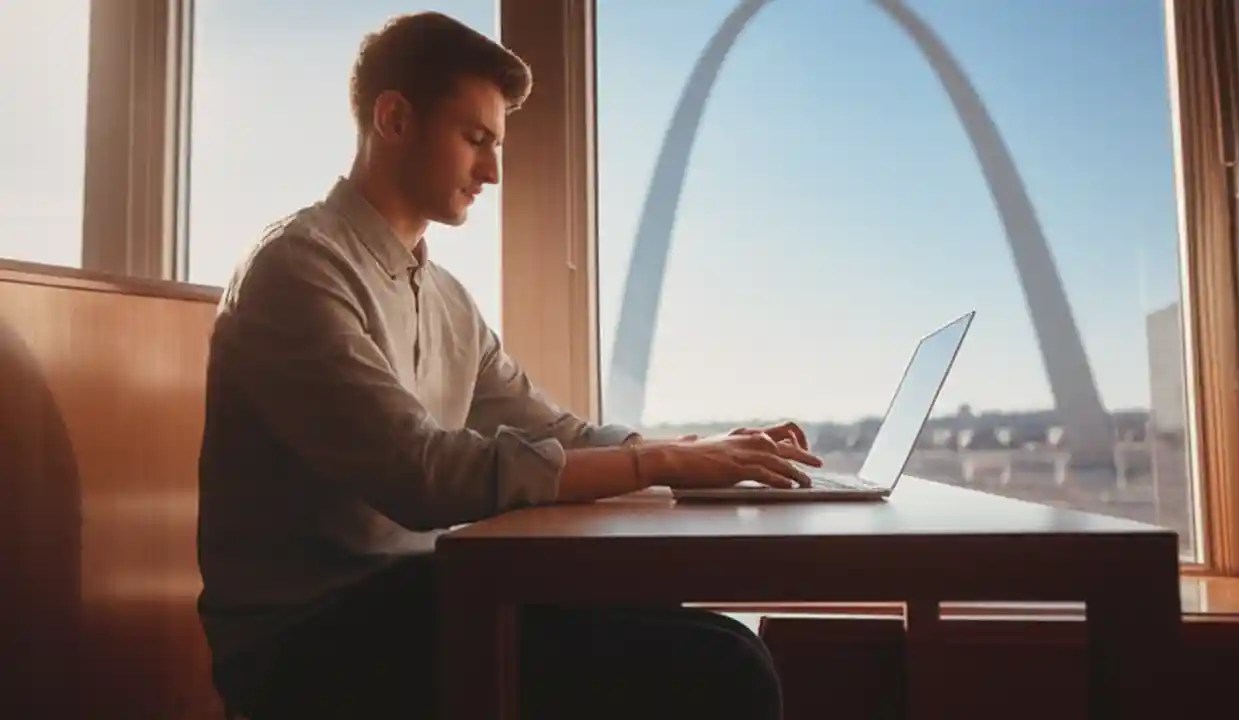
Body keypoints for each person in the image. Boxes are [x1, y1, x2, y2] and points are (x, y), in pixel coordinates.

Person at [196, 12, 821, 719]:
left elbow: (552, 428)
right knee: (722, 668)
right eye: (475, 139)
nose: (492, 171)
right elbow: (423, 474)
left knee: (700, 630)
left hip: (415, 595)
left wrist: (696, 451)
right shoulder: (298, 270)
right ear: (395, 119)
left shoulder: (445, 298)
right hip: (307, 642)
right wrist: (663, 467)